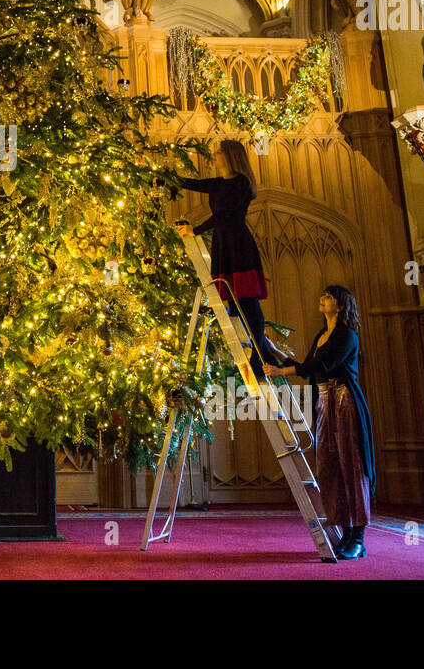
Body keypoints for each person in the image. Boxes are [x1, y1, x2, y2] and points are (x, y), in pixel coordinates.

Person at [265, 285, 376, 560]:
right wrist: (276, 353)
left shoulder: (347, 335)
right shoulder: (322, 335)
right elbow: (309, 366)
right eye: (323, 295)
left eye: (328, 297)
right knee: (329, 464)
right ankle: (345, 529)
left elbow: (321, 365)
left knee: (351, 464)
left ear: (340, 306)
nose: (322, 299)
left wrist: (282, 370)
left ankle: (358, 539)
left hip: (345, 402)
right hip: (325, 402)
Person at [176, 138, 289, 378]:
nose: (214, 155)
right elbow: (193, 183)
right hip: (223, 245)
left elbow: (224, 215)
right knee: (237, 305)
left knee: (248, 302)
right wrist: (163, 176)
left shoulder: (241, 184)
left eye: (218, 152)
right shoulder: (220, 183)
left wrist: (194, 230)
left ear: (229, 156)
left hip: (237, 245)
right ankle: (264, 354)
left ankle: (260, 356)